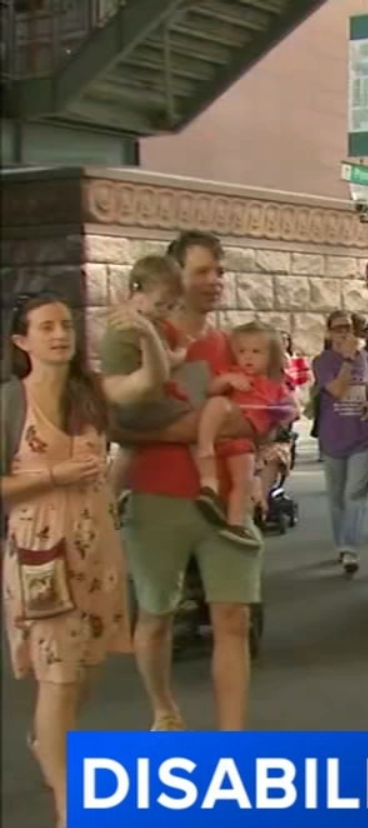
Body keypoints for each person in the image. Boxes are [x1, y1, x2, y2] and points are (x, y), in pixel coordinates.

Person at [107, 230, 262, 734]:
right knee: (156, 616)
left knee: (233, 619)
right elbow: (121, 422)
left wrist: (225, 434)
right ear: (174, 277)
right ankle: (163, 707)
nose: (214, 281)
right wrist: (200, 427)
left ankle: (231, 741)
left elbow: (254, 416)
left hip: (222, 500)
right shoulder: (138, 336)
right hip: (157, 496)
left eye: (219, 271)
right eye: (203, 271)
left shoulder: (228, 343)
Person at [2, 294, 133, 828]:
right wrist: (52, 474)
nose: (60, 335)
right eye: (47, 327)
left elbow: (144, 394)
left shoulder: (90, 395)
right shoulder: (10, 403)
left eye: (67, 325)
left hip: (97, 553)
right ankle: (67, 803)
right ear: (21, 341)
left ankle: (48, 745)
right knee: (58, 675)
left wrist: (141, 330)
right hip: (40, 556)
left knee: (84, 672)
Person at [193, 322, 295, 545]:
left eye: (256, 352)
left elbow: (290, 409)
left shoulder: (274, 384)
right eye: (242, 352)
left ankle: (236, 524)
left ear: (271, 356)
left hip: (246, 442)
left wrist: (281, 412)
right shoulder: (234, 374)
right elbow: (211, 389)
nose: (248, 357)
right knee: (217, 403)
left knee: (244, 481)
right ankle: (208, 476)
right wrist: (227, 381)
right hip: (225, 433)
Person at [102, 256, 191, 500]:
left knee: (129, 449)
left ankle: (111, 494)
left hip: (125, 405)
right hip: (137, 404)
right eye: (161, 304)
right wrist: (183, 351)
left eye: (171, 306)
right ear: (137, 294)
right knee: (197, 414)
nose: (166, 312)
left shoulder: (125, 320)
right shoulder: (143, 326)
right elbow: (163, 364)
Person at [314, 310, 368, 576]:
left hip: (363, 435)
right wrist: (348, 359)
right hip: (334, 436)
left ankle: (351, 548)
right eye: (339, 328)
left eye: (349, 328)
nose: (344, 332)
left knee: (356, 493)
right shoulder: (322, 361)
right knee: (337, 496)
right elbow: (338, 390)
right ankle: (341, 543)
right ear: (329, 333)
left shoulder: (366, 359)